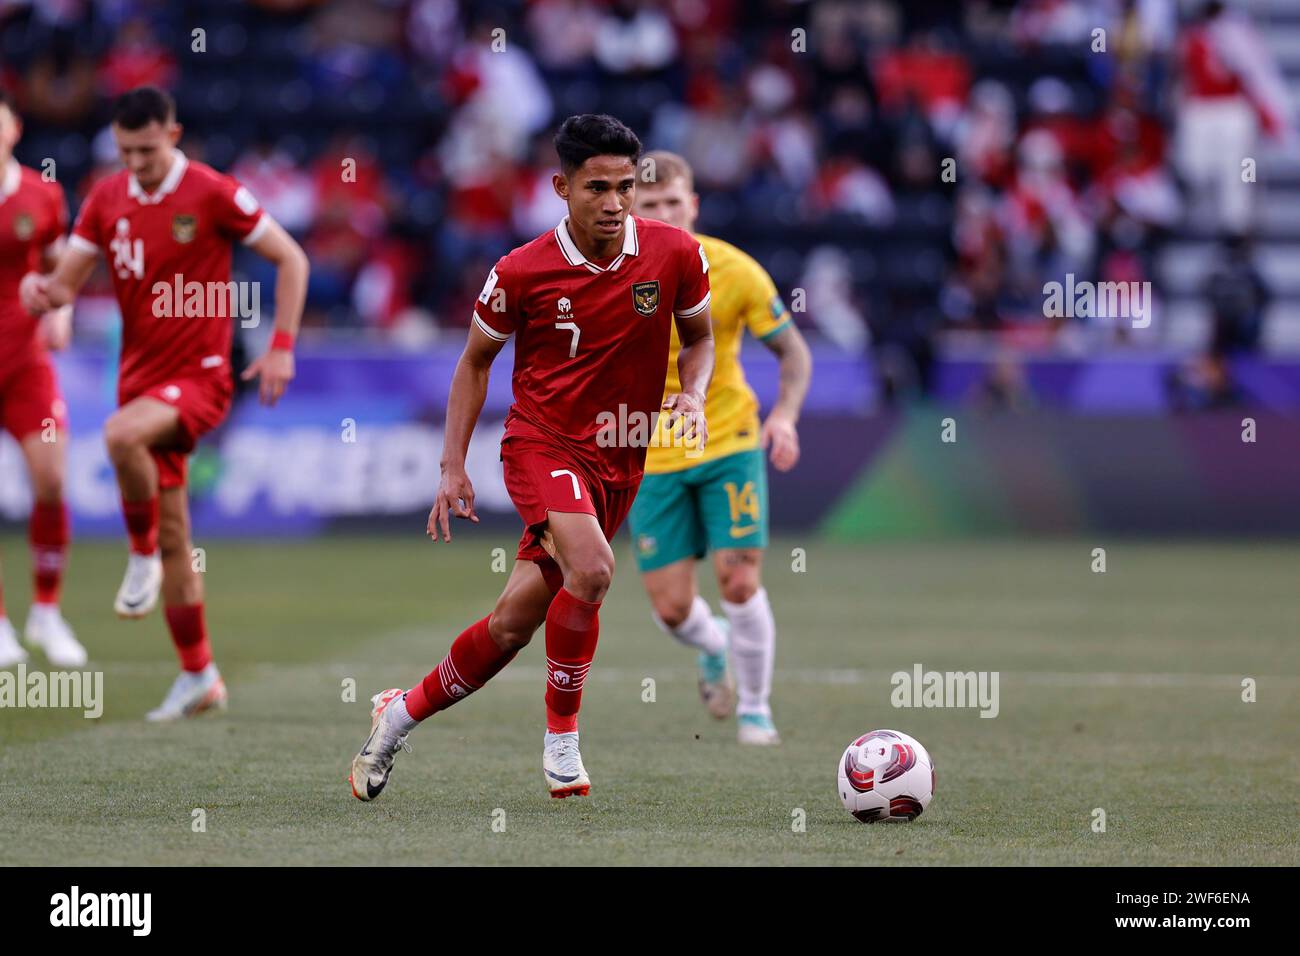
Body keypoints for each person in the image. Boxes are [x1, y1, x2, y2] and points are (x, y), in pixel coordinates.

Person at [349, 114, 715, 801]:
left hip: (620, 459)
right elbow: (474, 362)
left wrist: (692, 394)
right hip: (542, 444)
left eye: (625, 187)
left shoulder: (674, 254)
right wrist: (453, 465)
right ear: (561, 187)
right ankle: (561, 741)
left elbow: (700, 339)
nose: (614, 202)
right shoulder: (520, 271)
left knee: (513, 624)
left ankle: (396, 716)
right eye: (596, 187)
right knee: (596, 568)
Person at [20, 86, 309, 719]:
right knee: (181, 537)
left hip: (203, 377)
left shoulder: (211, 191)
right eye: (126, 151)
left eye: (148, 150)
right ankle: (199, 674)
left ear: (172, 136)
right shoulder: (106, 197)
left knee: (120, 437)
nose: (138, 163)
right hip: (140, 381)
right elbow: (66, 283)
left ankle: (140, 552)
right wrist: (44, 293)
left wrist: (281, 346)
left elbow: (291, 257)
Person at [629, 150, 812, 744]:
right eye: (650, 204)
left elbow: (793, 353)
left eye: (673, 203)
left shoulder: (734, 270)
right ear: (630, 206)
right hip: (649, 451)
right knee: (673, 609)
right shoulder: (607, 272)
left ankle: (756, 708)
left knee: (738, 581)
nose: (664, 213)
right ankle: (715, 648)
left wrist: (783, 417)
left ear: (693, 205)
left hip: (727, 435)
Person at [0, 88, 85, 669]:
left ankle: (47, 611)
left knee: (51, 479)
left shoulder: (42, 193)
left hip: (26, 361)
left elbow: (61, 267)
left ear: (14, 127)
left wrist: (61, 311)